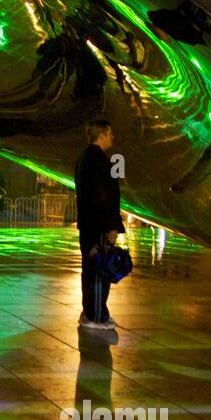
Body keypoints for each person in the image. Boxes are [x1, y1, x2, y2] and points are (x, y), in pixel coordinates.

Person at [74, 119, 124, 330]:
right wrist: (111, 226)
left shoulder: (83, 158)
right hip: (98, 226)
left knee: (91, 269)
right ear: (102, 135)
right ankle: (96, 316)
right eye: (110, 133)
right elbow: (105, 197)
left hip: (88, 225)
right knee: (98, 271)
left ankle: (93, 312)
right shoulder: (101, 162)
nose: (113, 137)